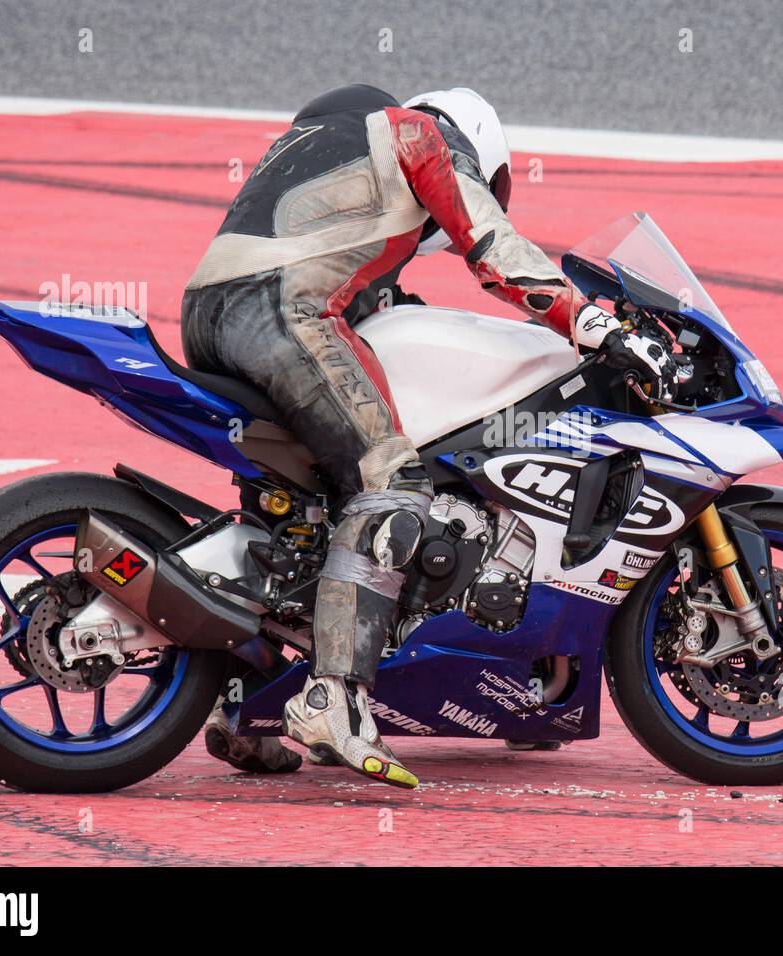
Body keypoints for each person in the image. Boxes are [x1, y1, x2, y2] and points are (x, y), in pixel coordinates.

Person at [183, 84, 674, 789]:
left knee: (305, 509)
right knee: (394, 481)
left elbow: (373, 291)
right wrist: (594, 324)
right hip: (282, 311)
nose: (486, 190)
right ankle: (335, 698)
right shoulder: (421, 138)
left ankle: (242, 703)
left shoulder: (335, 146)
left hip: (208, 309)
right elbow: (493, 246)